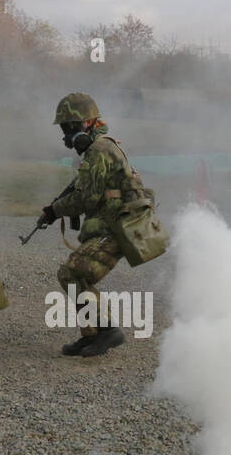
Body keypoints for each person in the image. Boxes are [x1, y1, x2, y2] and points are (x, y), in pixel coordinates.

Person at [36, 92, 159, 357]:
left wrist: (54, 210)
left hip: (116, 226)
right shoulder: (97, 149)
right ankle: (92, 334)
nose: (66, 134)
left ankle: (106, 330)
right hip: (112, 224)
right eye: (64, 128)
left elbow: (85, 198)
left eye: (70, 127)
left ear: (88, 124)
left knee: (72, 274)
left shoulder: (100, 150)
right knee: (73, 275)